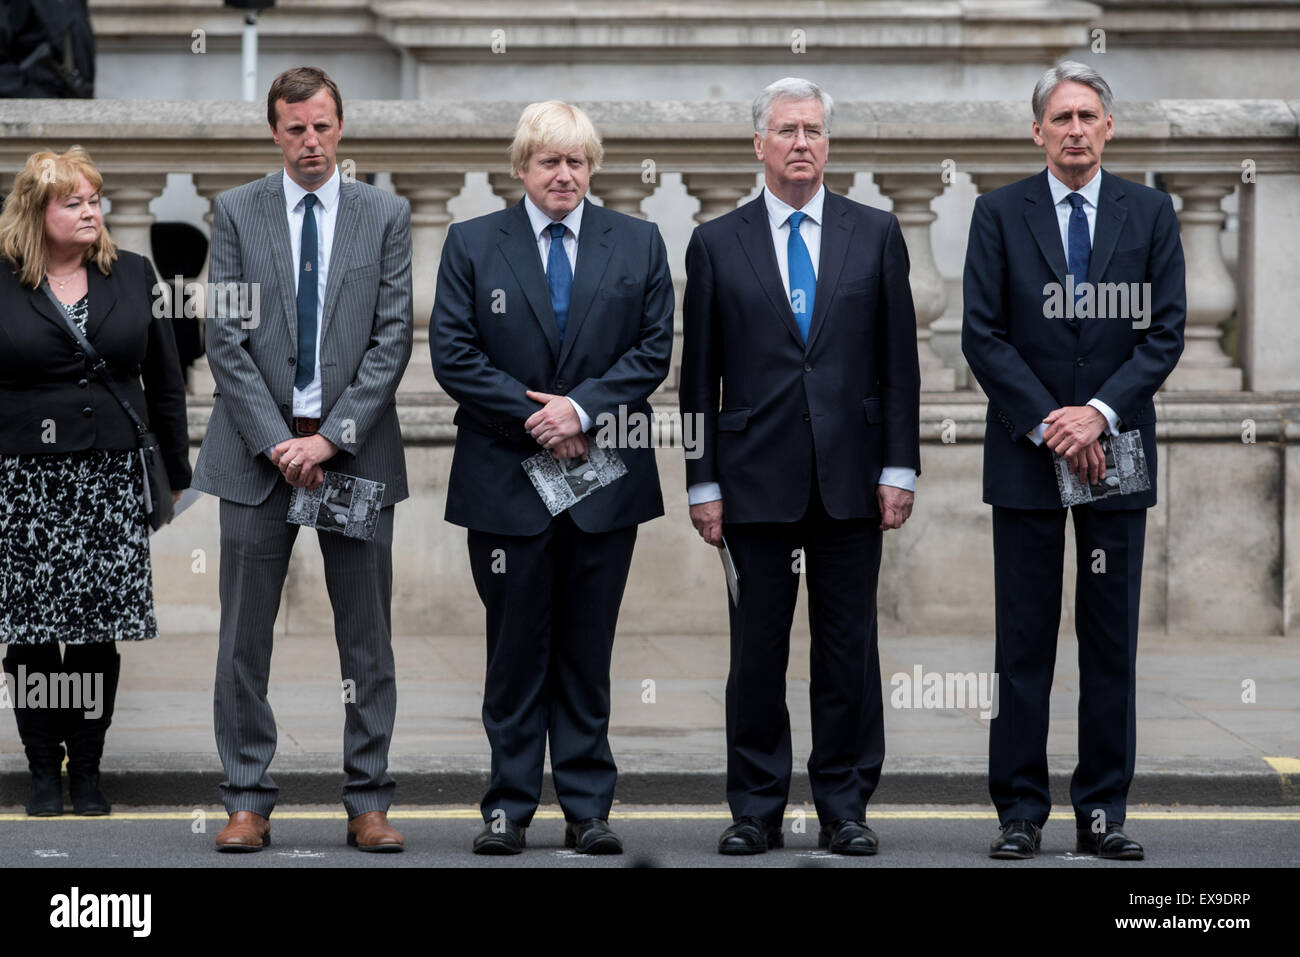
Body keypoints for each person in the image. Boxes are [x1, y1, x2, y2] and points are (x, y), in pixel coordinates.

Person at [679, 77, 921, 856]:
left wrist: (900, 468)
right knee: (757, 650)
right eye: (786, 130)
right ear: (759, 144)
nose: (801, 143)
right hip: (752, 484)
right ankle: (755, 805)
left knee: (848, 649)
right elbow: (697, 381)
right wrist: (701, 479)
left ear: (828, 142)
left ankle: (844, 803)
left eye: (813, 130)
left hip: (853, 479)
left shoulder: (875, 233)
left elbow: (900, 366)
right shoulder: (717, 242)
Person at [431, 100, 674, 855]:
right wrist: (538, 419)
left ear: (591, 167)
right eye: (549, 161)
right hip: (506, 480)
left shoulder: (637, 241)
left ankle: (587, 807)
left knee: (586, 651)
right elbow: (454, 353)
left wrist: (581, 409)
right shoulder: (473, 243)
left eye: (576, 161)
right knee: (514, 653)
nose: (564, 174)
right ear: (521, 168)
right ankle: (506, 807)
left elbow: (652, 350)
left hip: (604, 482)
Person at [961, 60, 1186, 861]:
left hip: (1114, 450)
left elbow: (1165, 334)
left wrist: (1096, 415)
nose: (1076, 130)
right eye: (1061, 118)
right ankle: (1019, 812)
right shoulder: (997, 212)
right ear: (1037, 132)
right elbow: (981, 334)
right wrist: (1051, 423)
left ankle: (1102, 812)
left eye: (1088, 116)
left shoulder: (1151, 211)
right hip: (1028, 456)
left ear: (1109, 127)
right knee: (1022, 643)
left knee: (1109, 643)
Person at [191, 66, 413, 853]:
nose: (310, 142)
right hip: (257, 458)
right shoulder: (239, 212)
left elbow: (393, 339)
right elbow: (225, 340)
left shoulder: (383, 212)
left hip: (351, 455)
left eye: (322, 126)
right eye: (295, 129)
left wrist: (329, 438)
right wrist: (278, 440)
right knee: (244, 639)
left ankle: (368, 799)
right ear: (274, 132)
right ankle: (247, 797)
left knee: (367, 639)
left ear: (341, 127)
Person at [0, 146, 189, 816]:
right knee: (30, 631)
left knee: (93, 632)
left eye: (93, 199)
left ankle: (86, 769)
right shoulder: (4, 281)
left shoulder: (133, 275)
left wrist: (175, 473)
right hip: (23, 482)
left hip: (109, 477)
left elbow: (165, 382)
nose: (89, 211)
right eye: (72, 202)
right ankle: (41, 772)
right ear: (35, 211)